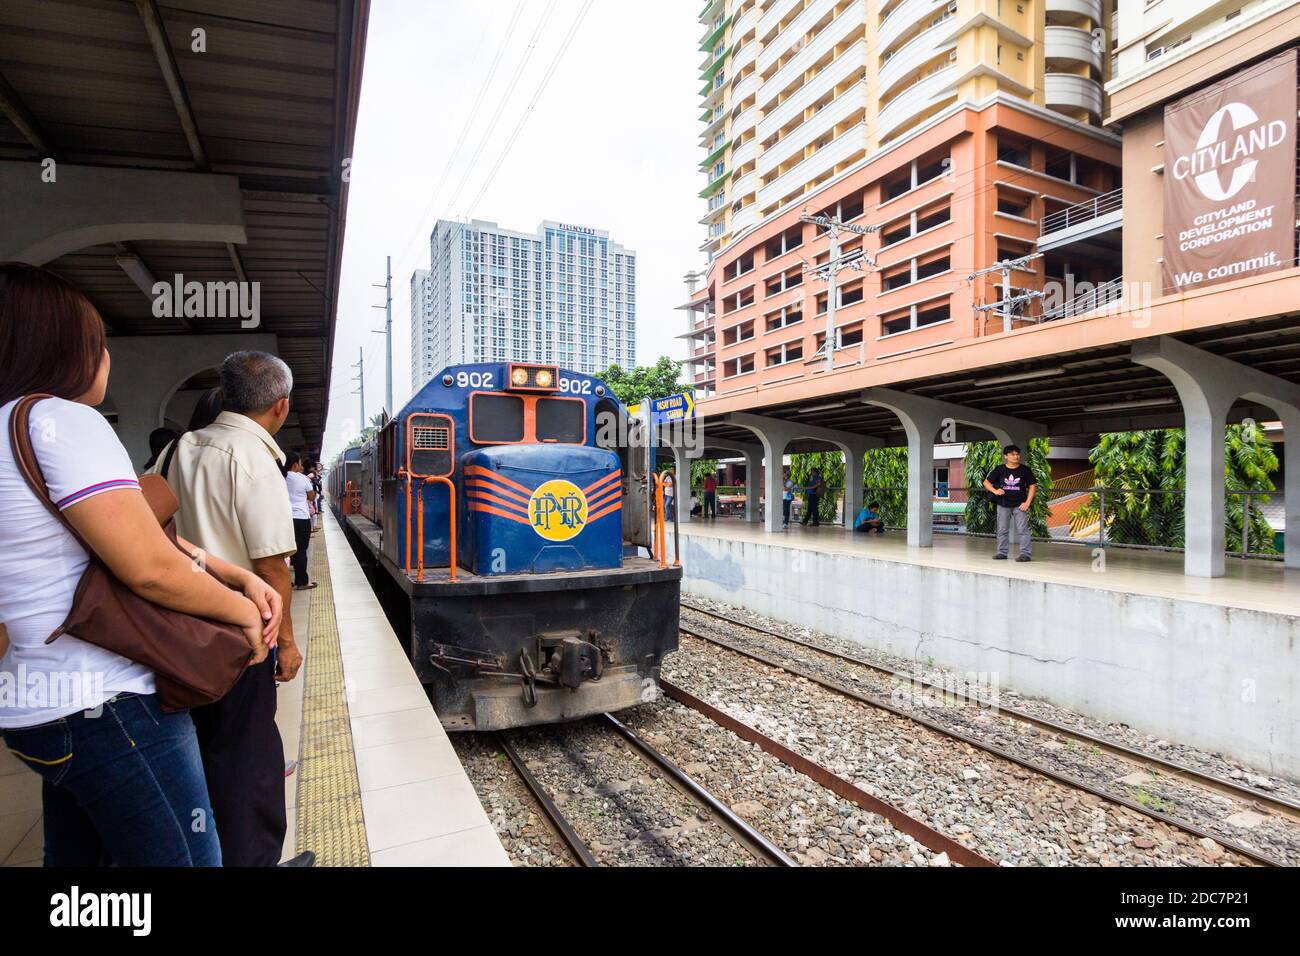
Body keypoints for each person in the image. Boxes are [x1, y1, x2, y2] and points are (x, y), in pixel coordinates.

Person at [0, 263, 278, 866]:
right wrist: (244, 613)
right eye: (96, 342)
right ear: (62, 349)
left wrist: (228, 570)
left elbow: (95, 537)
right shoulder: (63, 421)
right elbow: (147, 567)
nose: (106, 358)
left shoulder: (7, 428)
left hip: (30, 703)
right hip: (106, 703)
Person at [154, 350, 310, 867]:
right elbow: (272, 570)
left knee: (198, 757)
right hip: (238, 641)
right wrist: (284, 643)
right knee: (249, 762)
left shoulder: (173, 451)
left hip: (173, 635)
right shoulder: (252, 459)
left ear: (224, 395)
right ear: (281, 407)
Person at [983, 444, 1037, 562]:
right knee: (1002, 530)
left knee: (1023, 530)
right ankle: (1002, 553)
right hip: (1003, 504)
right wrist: (995, 491)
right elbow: (986, 482)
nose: (1016, 456)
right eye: (1012, 454)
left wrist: (1027, 502)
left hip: (1020, 504)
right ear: (1006, 456)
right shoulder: (1000, 469)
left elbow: (1032, 486)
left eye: (1017, 454)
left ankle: (1025, 554)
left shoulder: (1024, 470)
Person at [285, 454, 317, 590]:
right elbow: (311, 496)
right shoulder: (302, 479)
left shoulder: (280, 477)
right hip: (301, 518)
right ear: (295, 465)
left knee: (287, 551)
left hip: (285, 518)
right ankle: (302, 582)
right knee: (301, 551)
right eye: (299, 463)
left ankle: (286, 581)